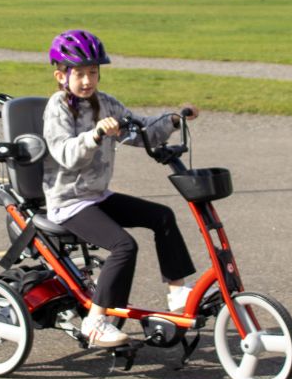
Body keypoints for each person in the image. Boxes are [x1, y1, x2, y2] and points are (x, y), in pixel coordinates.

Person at [41, 29, 199, 347]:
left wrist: (172, 120)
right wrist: (95, 135)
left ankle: (177, 294)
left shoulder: (106, 104)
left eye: (93, 73)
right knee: (124, 245)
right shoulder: (58, 107)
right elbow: (65, 155)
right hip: (68, 201)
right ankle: (95, 322)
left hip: (97, 196)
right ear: (61, 75)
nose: (87, 80)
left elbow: (140, 131)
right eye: (80, 74)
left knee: (162, 216)